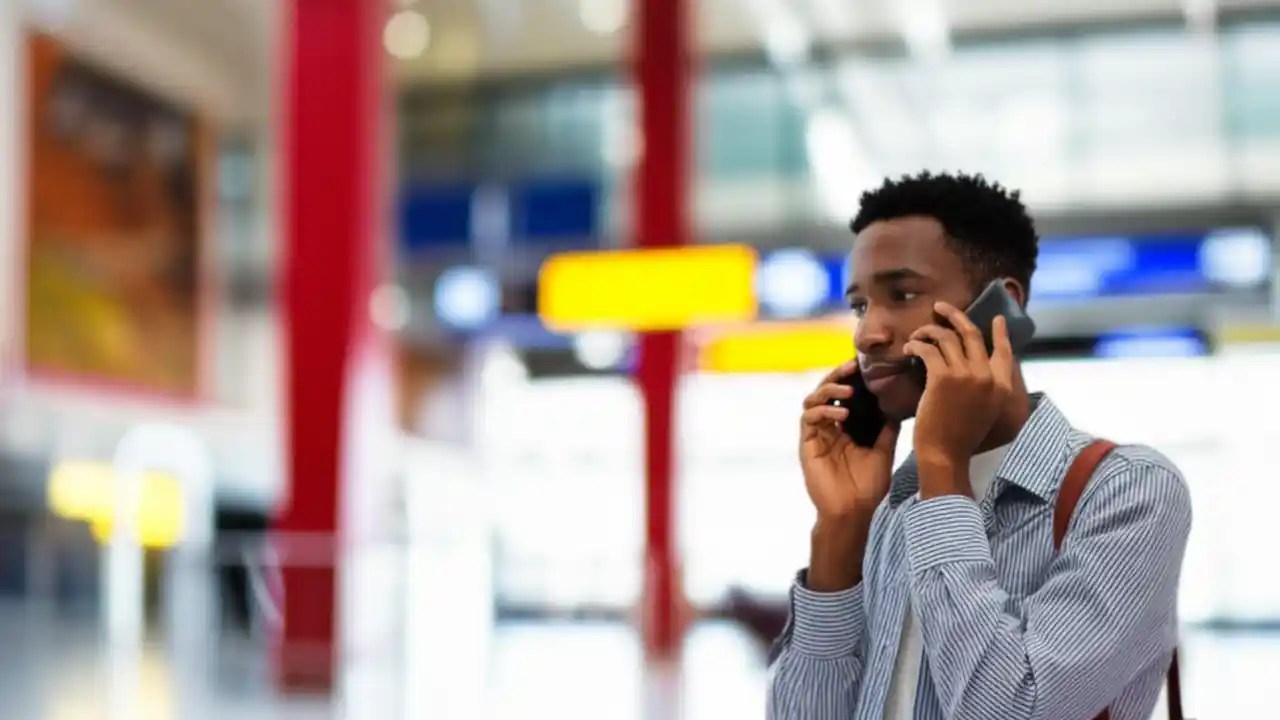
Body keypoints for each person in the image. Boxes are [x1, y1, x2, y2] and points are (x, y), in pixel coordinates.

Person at [767, 172, 1191, 720]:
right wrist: (841, 535)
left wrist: (944, 466)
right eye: (859, 306)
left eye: (903, 294)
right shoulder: (893, 511)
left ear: (1000, 310)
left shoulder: (1127, 492)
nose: (867, 334)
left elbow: (1009, 709)